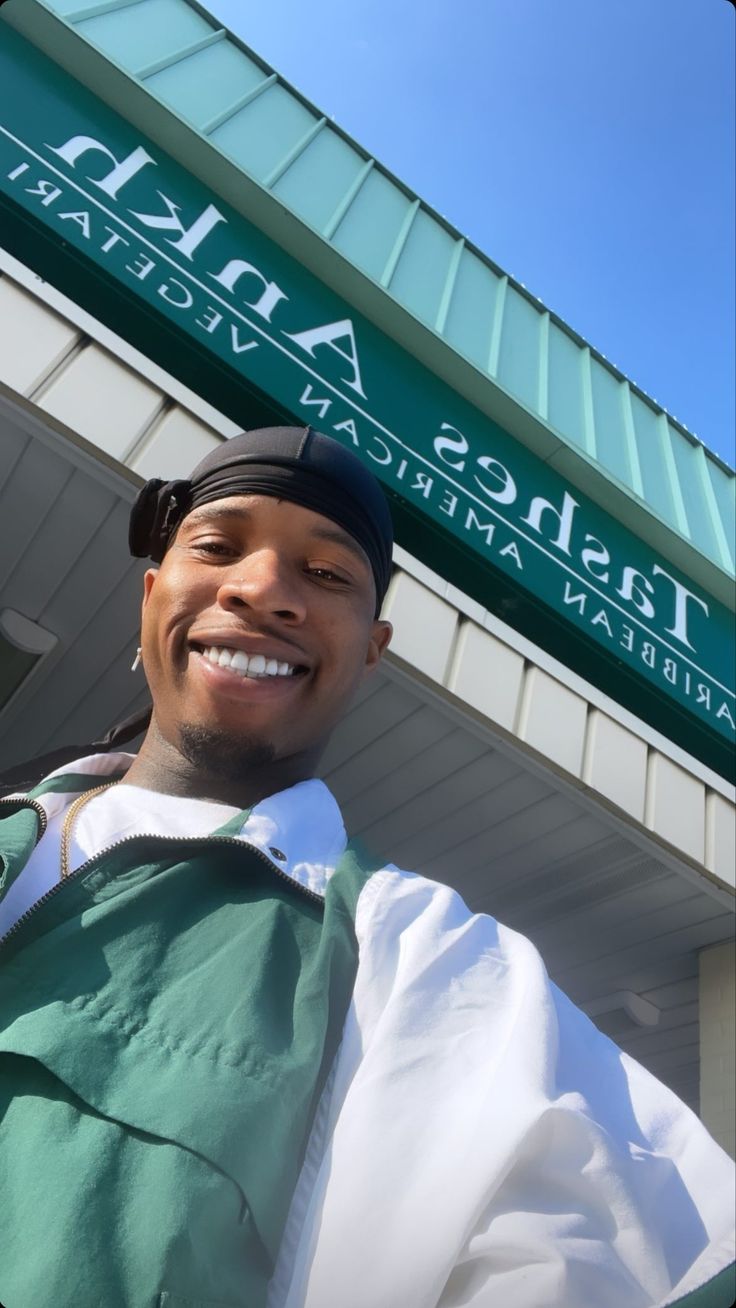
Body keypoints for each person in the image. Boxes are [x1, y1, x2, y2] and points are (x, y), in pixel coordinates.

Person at [0, 426, 733, 1308]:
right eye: (219, 546)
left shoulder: (428, 962)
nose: (263, 589)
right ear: (154, 593)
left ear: (373, 649)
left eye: (328, 574)